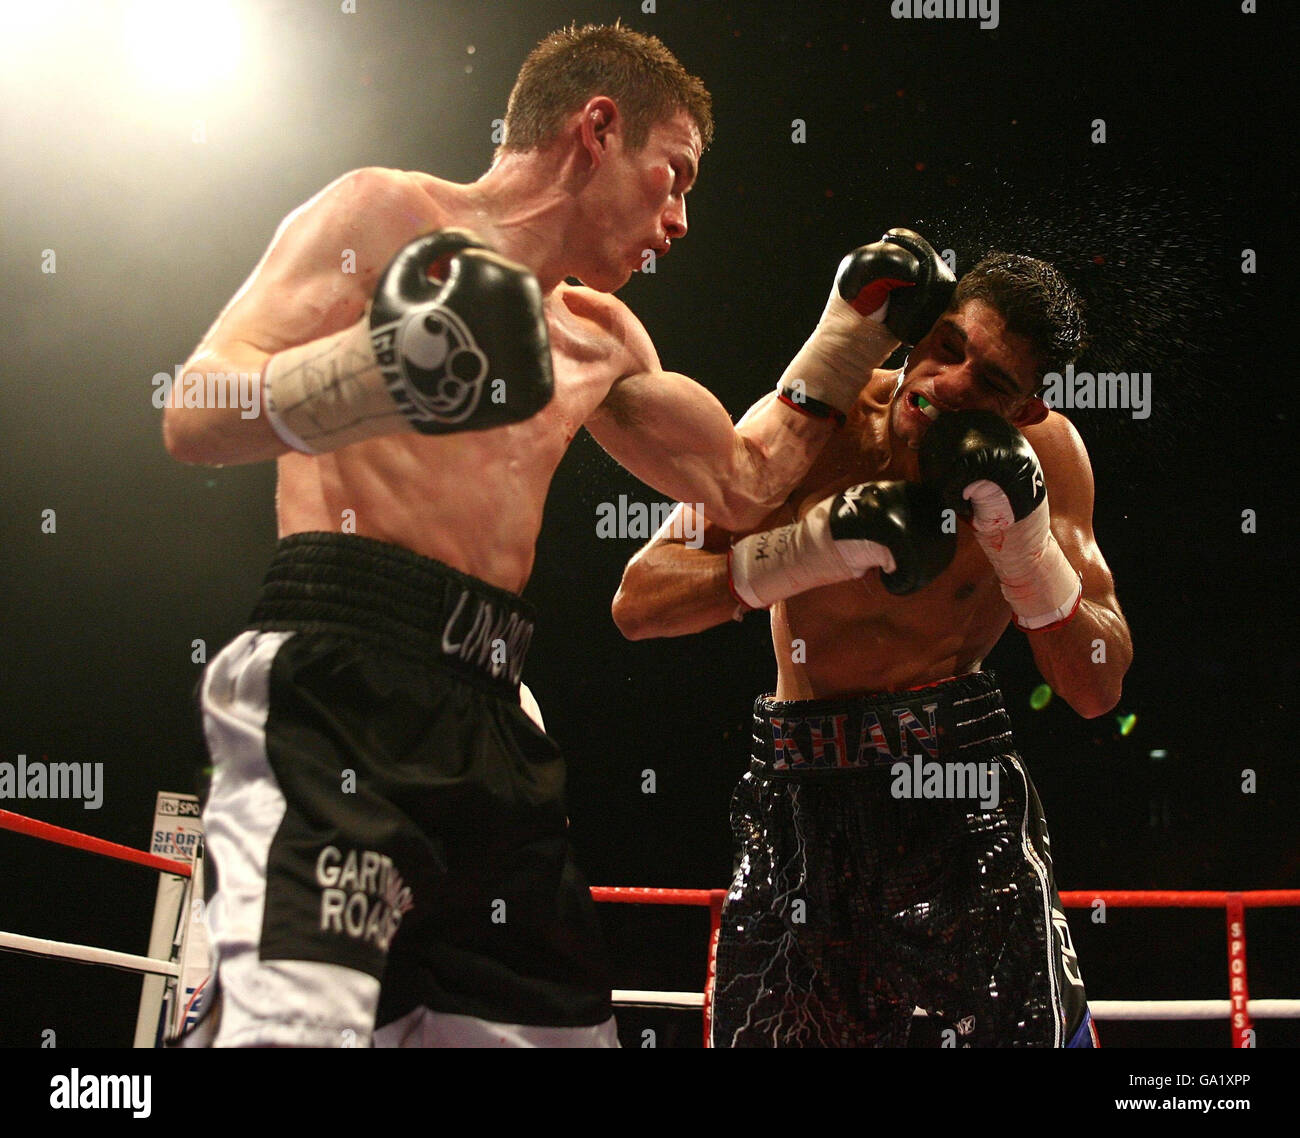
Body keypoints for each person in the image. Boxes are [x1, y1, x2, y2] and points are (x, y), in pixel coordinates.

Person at [161, 23, 951, 1048]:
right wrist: (387, 366)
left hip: (494, 714)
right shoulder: (386, 213)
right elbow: (193, 410)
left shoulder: (603, 334)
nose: (677, 221)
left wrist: (846, 337)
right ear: (597, 128)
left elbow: (741, 483)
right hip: (337, 679)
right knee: (293, 1035)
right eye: (672, 178)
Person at [613, 252, 1133, 1047]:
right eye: (948, 346)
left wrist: (1027, 554)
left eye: (991, 384)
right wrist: (804, 550)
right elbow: (640, 601)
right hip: (798, 793)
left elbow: (1097, 689)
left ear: (1027, 411)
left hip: (959, 796)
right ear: (917, 334)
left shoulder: (1049, 460)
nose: (952, 383)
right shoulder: (810, 429)